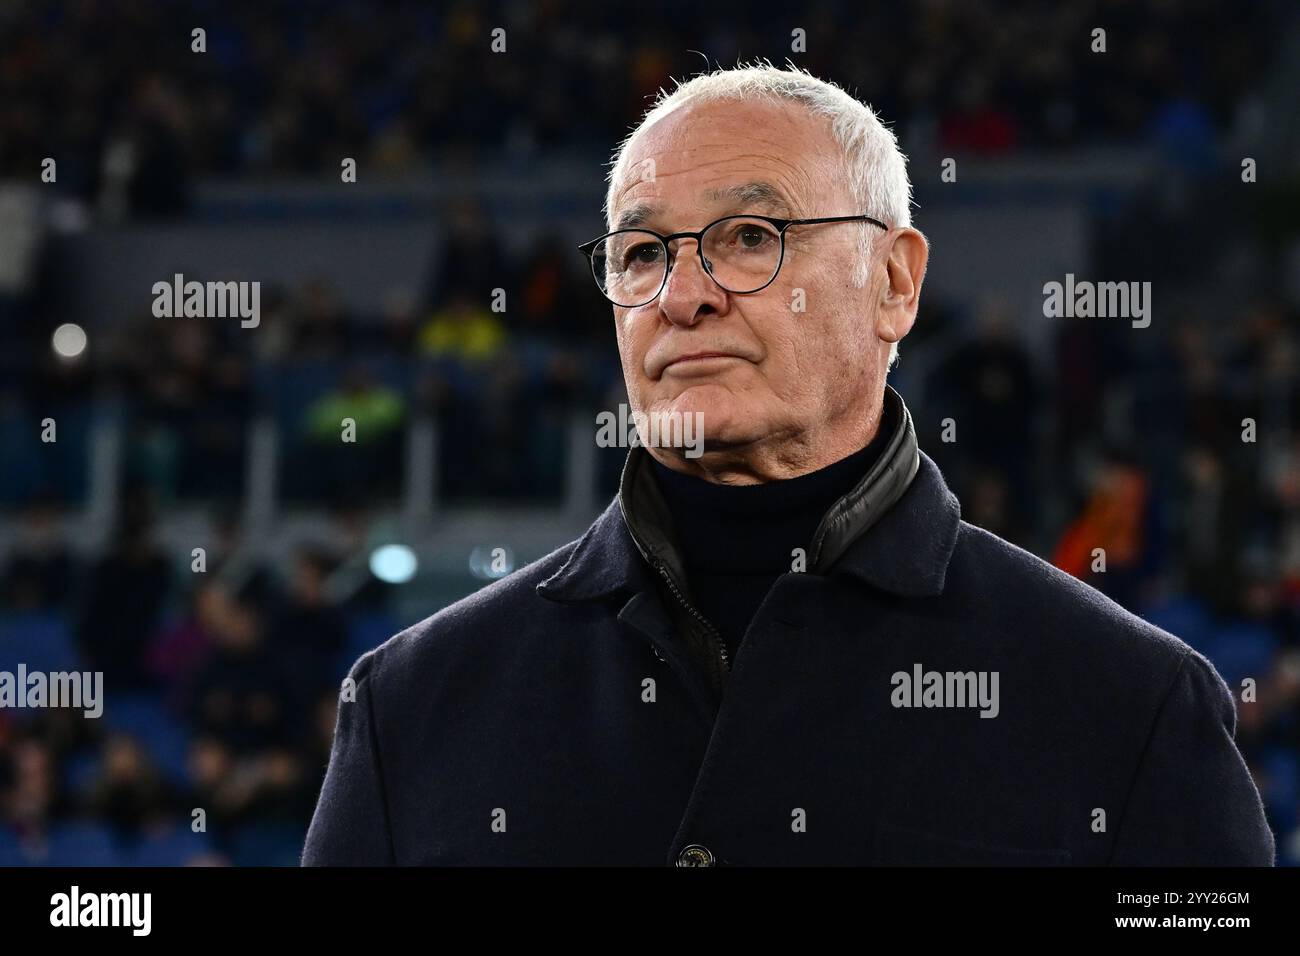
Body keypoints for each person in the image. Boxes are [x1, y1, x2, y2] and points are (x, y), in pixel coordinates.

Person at [303, 63, 1273, 866]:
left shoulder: (1126, 706)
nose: (681, 296)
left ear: (894, 282)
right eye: (642, 252)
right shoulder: (410, 706)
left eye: (750, 237)